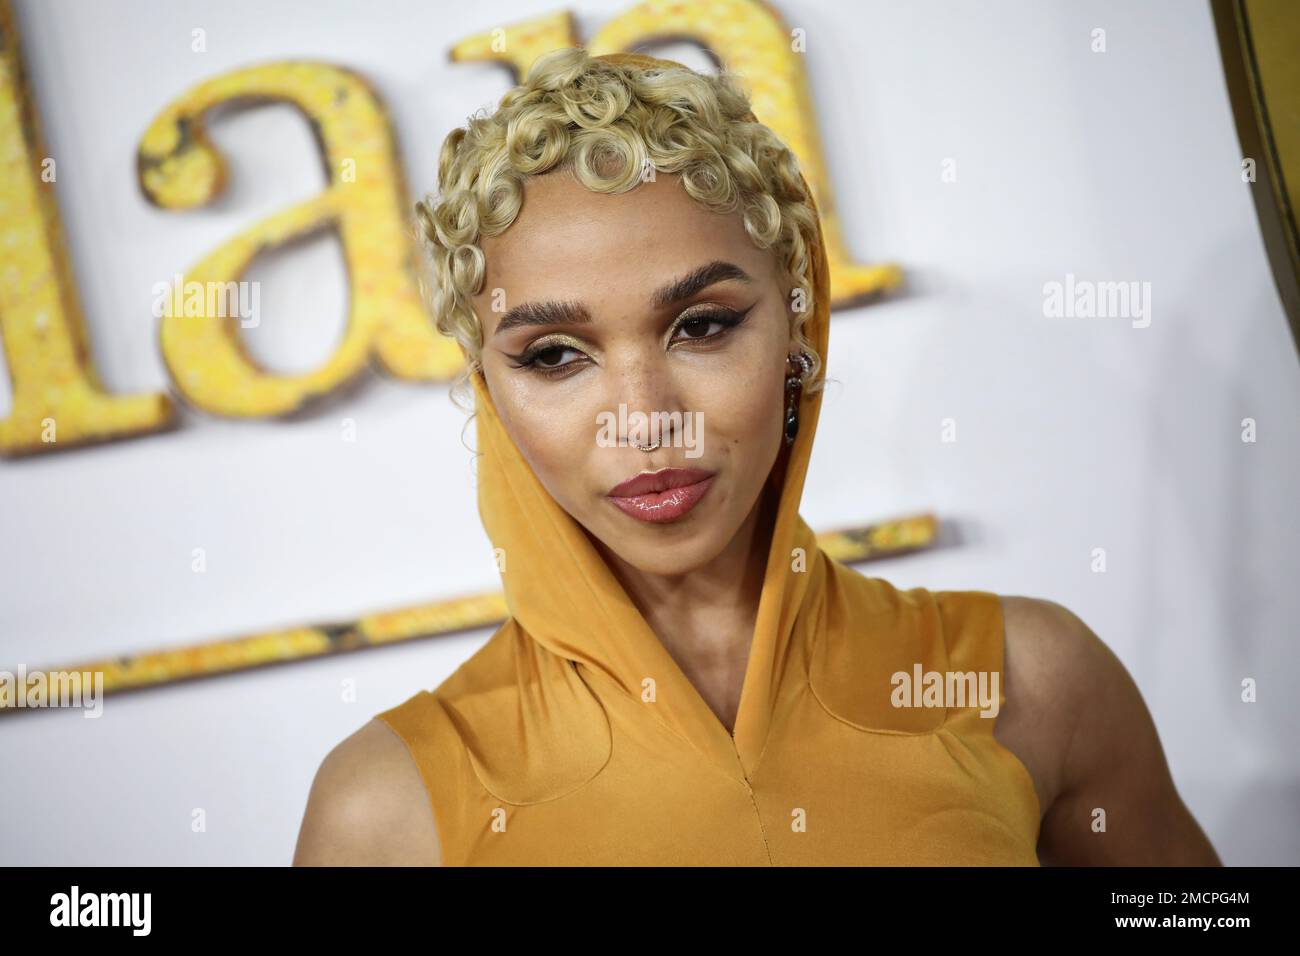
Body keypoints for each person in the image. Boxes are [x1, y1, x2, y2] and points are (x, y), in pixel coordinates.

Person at [294, 48, 1220, 866]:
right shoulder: (388, 811)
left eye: (701, 326)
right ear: (488, 387)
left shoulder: (1029, 680)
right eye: (554, 356)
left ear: (796, 327)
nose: (645, 420)